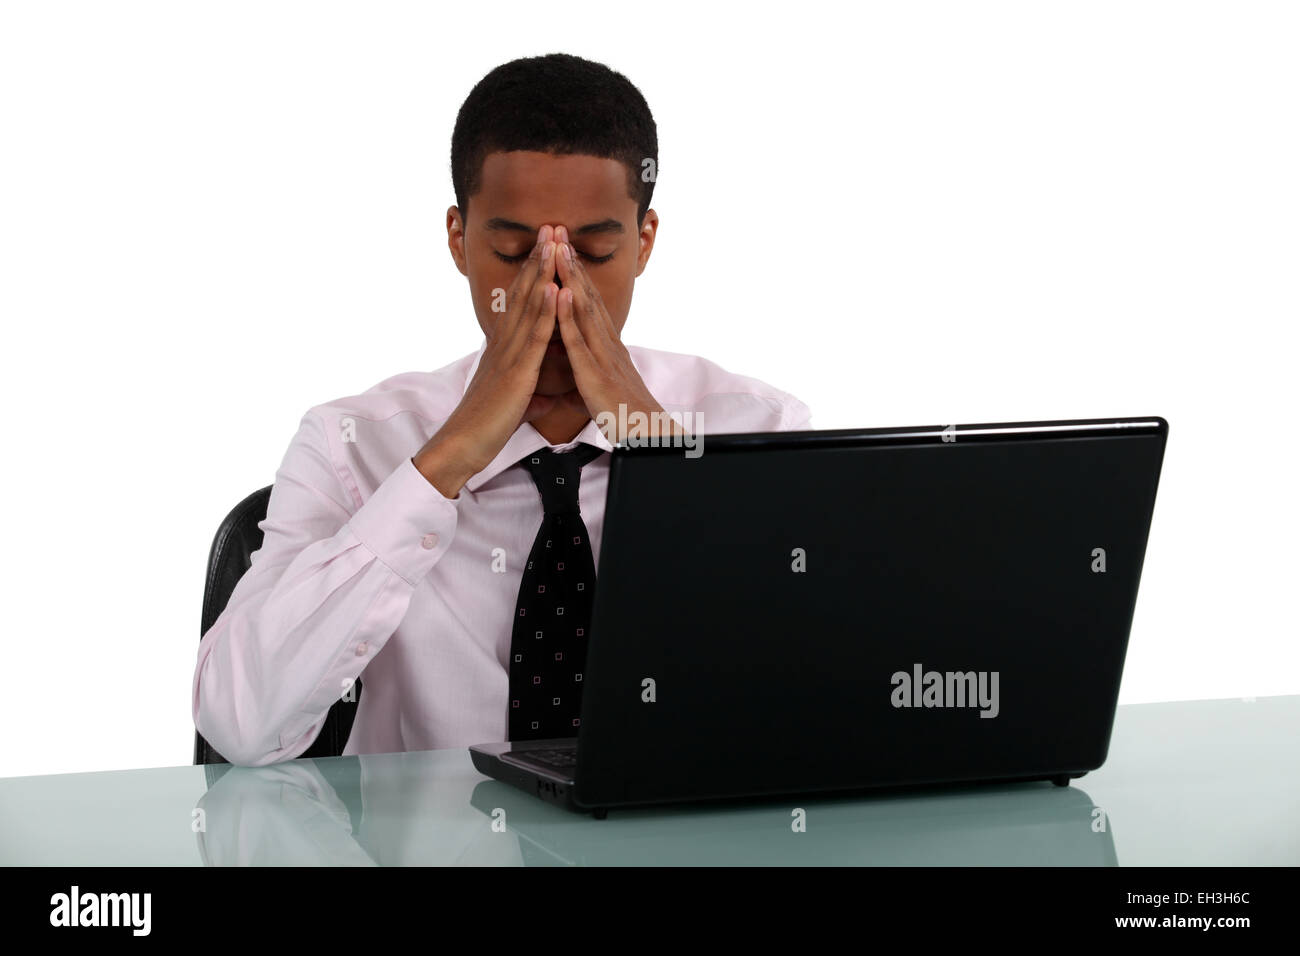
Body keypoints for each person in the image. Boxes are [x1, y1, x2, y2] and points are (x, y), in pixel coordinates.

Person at [193, 52, 812, 766]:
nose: (553, 291)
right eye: (515, 251)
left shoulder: (758, 429)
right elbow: (240, 723)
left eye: (596, 252)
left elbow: (809, 700)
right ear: (459, 239)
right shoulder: (351, 443)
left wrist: (661, 454)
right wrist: (441, 464)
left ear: (643, 243)